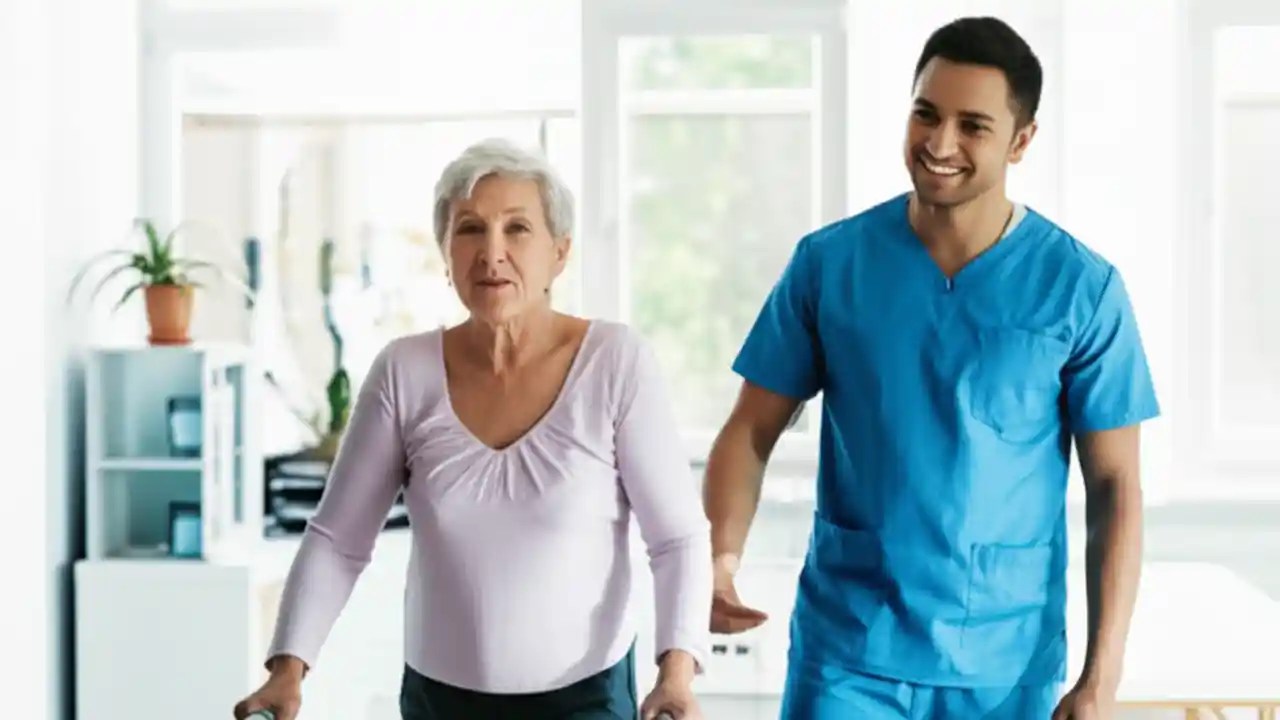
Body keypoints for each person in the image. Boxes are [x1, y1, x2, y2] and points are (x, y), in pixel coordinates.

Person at [703, 16, 1159, 720]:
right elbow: (750, 429)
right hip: (850, 652)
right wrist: (721, 560)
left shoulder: (1080, 289)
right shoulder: (830, 266)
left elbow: (1115, 486)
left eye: (973, 125)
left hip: (1006, 666)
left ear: (1022, 140)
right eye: (926, 114)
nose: (940, 144)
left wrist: (1101, 677)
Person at [233, 138, 712, 720]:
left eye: (517, 229)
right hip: (441, 703)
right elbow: (337, 540)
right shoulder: (403, 371)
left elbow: (677, 538)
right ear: (445, 252)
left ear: (559, 252)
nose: (492, 253)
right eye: (469, 229)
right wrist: (288, 668)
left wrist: (677, 673)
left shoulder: (615, 361)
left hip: (586, 699)